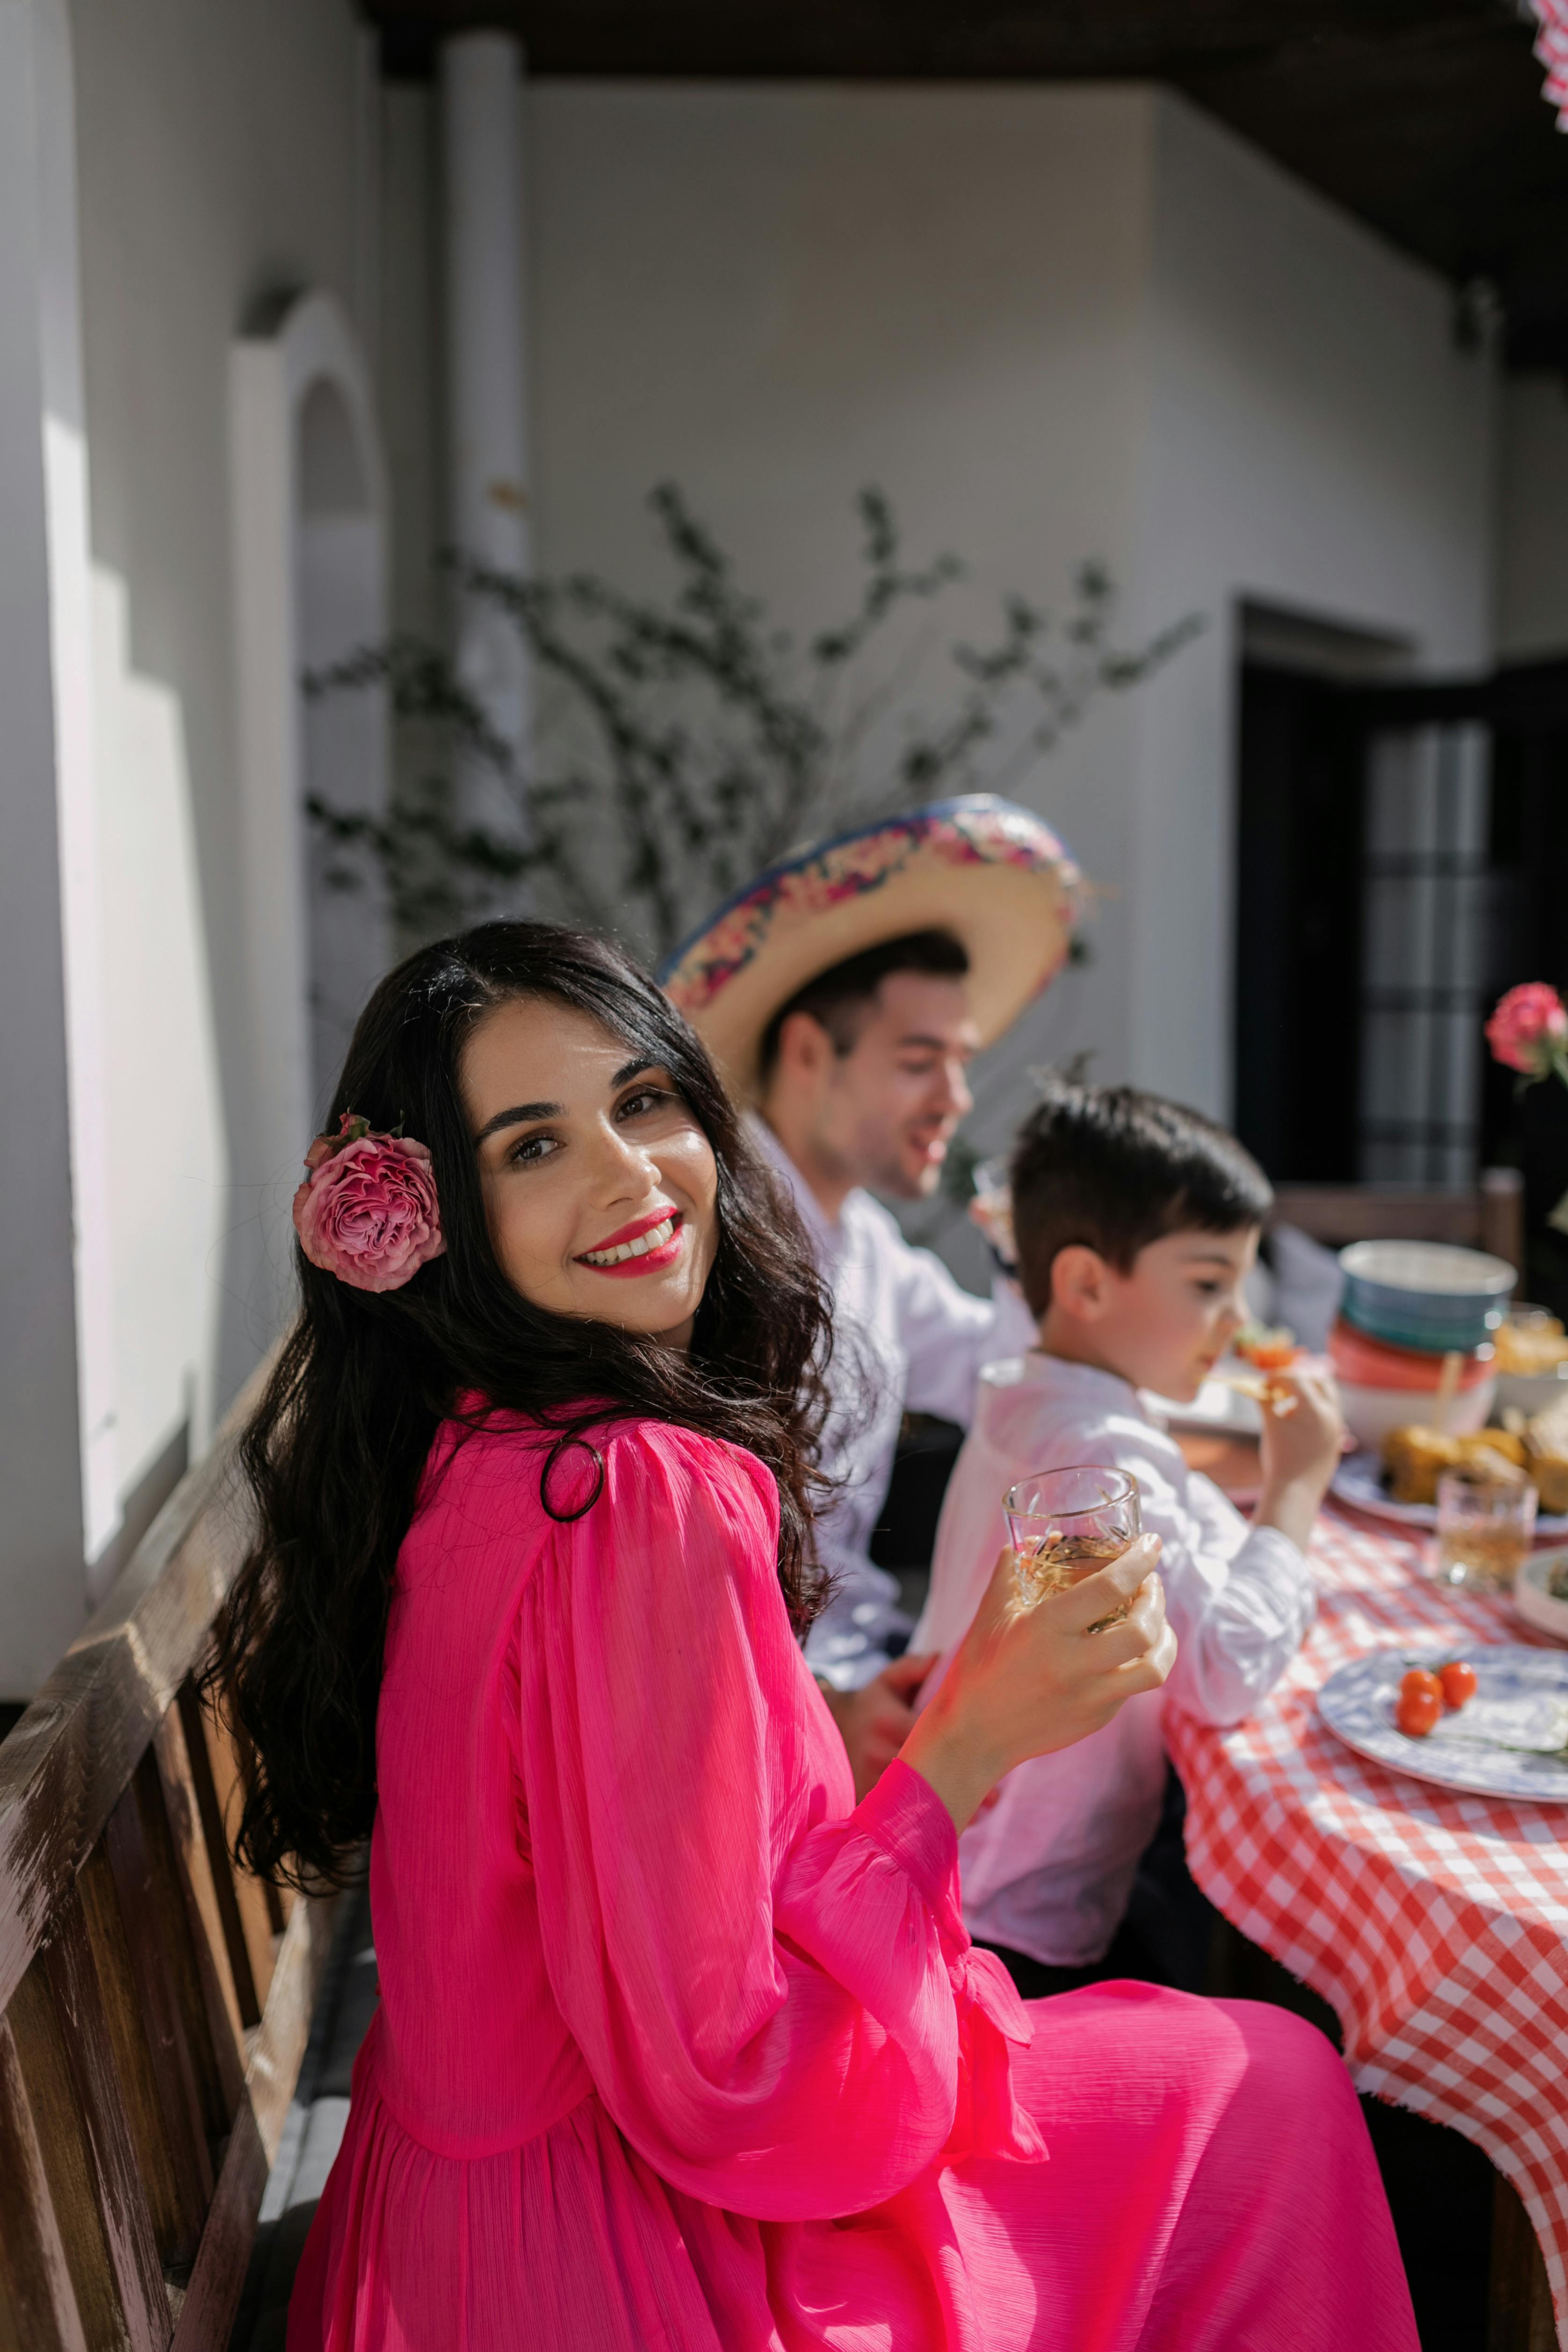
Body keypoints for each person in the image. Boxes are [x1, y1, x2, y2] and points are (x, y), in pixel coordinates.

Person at [217, 920, 1416, 2352]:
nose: (629, 1172)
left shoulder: (473, 1441)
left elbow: (608, 1853)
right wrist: (969, 1744)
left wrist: (822, 1736)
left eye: (644, 1100)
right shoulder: (637, 1487)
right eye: (532, 1146)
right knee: (1269, 2077)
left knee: (1232, 2071)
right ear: (439, 1218)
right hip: (630, 2256)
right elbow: (733, 2076)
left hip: (437, 2243)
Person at [661, 796, 1071, 1794]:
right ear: (808, 1052)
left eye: (961, 1062)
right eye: (920, 1060)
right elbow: (681, 1572)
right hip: (750, 1741)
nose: (957, 1098)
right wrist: (818, 1716)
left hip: (854, 1683)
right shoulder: (708, 1254)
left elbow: (997, 1373)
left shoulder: (864, 1243)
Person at [914, 1079, 1342, 1998]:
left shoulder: (1037, 1395)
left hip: (968, 1859)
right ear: (1085, 1283)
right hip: (1012, 1926)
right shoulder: (1098, 1456)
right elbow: (1223, 1672)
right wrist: (1296, 1491)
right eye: (1208, 1283)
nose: (1238, 1319)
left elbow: (1194, 1522)